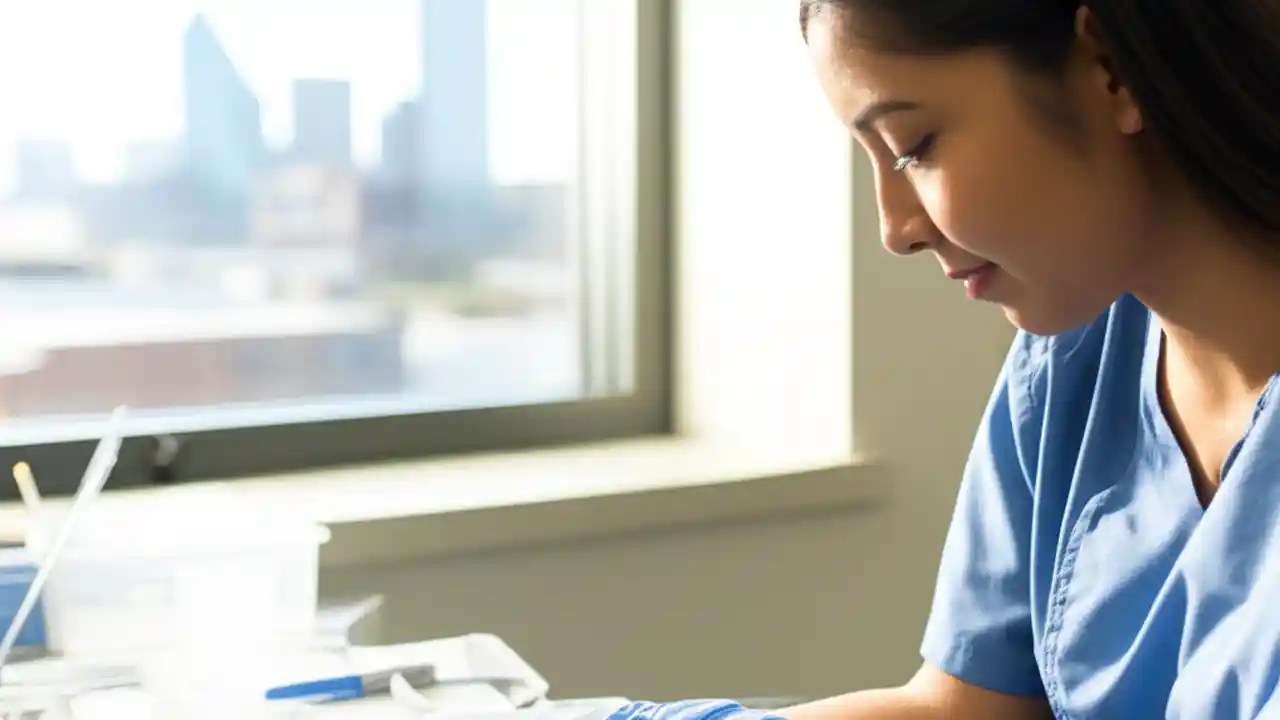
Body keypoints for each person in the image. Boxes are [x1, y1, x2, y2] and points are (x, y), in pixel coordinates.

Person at [607, 1, 1280, 718]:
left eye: (913, 146)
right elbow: (964, 709)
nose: (894, 229)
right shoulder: (1071, 365)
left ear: (1109, 72)